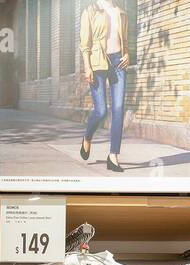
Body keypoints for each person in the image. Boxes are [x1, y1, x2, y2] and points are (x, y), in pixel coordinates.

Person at [78, 0, 130, 173]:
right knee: (101, 110)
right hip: (98, 62)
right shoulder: (90, 10)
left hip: (118, 63)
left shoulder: (121, 12)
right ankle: (87, 137)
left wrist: (127, 54)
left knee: (118, 108)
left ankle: (113, 155)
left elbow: (125, 39)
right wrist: (87, 67)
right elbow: (85, 44)